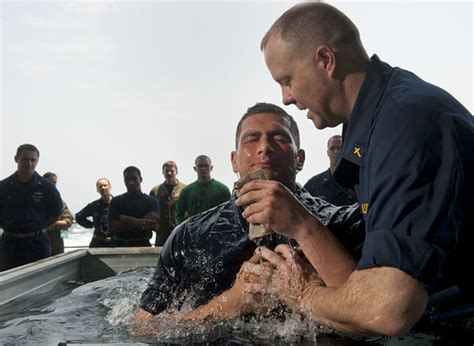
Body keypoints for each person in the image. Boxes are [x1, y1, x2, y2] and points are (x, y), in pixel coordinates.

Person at [237, 2, 474, 337]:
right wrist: (303, 226)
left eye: (287, 80)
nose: (286, 98)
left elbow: (387, 310)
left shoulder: (406, 125)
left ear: (325, 61)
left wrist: (303, 293)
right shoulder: (378, 121)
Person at [132, 103, 364, 332]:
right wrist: (229, 303)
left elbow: (375, 312)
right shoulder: (189, 236)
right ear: (234, 160)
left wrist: (311, 285)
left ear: (300, 158)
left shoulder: (342, 223)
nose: (264, 147)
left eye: (280, 138)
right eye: (252, 139)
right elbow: (143, 327)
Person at [0, 144, 62, 269]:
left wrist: (36, 228)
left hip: (37, 245)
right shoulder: (4, 187)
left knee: (41, 284)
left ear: (37, 161)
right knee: (8, 285)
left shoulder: (47, 188)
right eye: (25, 159)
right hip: (10, 245)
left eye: (33, 160)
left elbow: (55, 215)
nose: (29, 163)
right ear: (16, 159)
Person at [108, 166, 160, 247]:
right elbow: (112, 227)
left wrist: (127, 219)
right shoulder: (116, 201)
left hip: (143, 245)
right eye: (127, 179)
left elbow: (154, 225)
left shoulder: (151, 201)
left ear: (141, 179)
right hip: (120, 246)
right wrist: (142, 221)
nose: (131, 182)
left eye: (134, 179)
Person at [175, 155, 231, 224]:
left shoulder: (222, 190)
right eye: (200, 166)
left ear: (211, 167)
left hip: (216, 231)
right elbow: (179, 215)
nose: (203, 168)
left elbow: (230, 213)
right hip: (194, 232)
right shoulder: (187, 191)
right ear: (195, 168)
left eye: (206, 165)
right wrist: (185, 231)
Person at [304, 135, 357, 206]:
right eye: (332, 148)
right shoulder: (314, 184)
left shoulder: (357, 183)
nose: (336, 151)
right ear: (328, 153)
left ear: (345, 151)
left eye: (339, 148)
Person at [149, 161, 186, 246]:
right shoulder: (155, 191)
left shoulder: (184, 190)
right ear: (163, 172)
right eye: (166, 171)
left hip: (179, 229)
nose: (169, 173)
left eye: (172, 171)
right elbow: (151, 211)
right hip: (162, 232)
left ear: (176, 172)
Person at [75, 178, 115, 248]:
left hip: (114, 242)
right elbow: (78, 217)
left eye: (105, 185)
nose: (103, 188)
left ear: (110, 187)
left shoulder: (118, 204)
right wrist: (91, 225)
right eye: (100, 186)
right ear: (97, 190)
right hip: (98, 242)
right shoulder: (94, 205)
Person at [42, 172, 74, 255]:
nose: (52, 185)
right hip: (38, 243)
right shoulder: (35, 199)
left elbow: (68, 220)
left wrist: (54, 225)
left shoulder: (58, 201)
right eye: (49, 182)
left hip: (55, 244)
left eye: (54, 183)